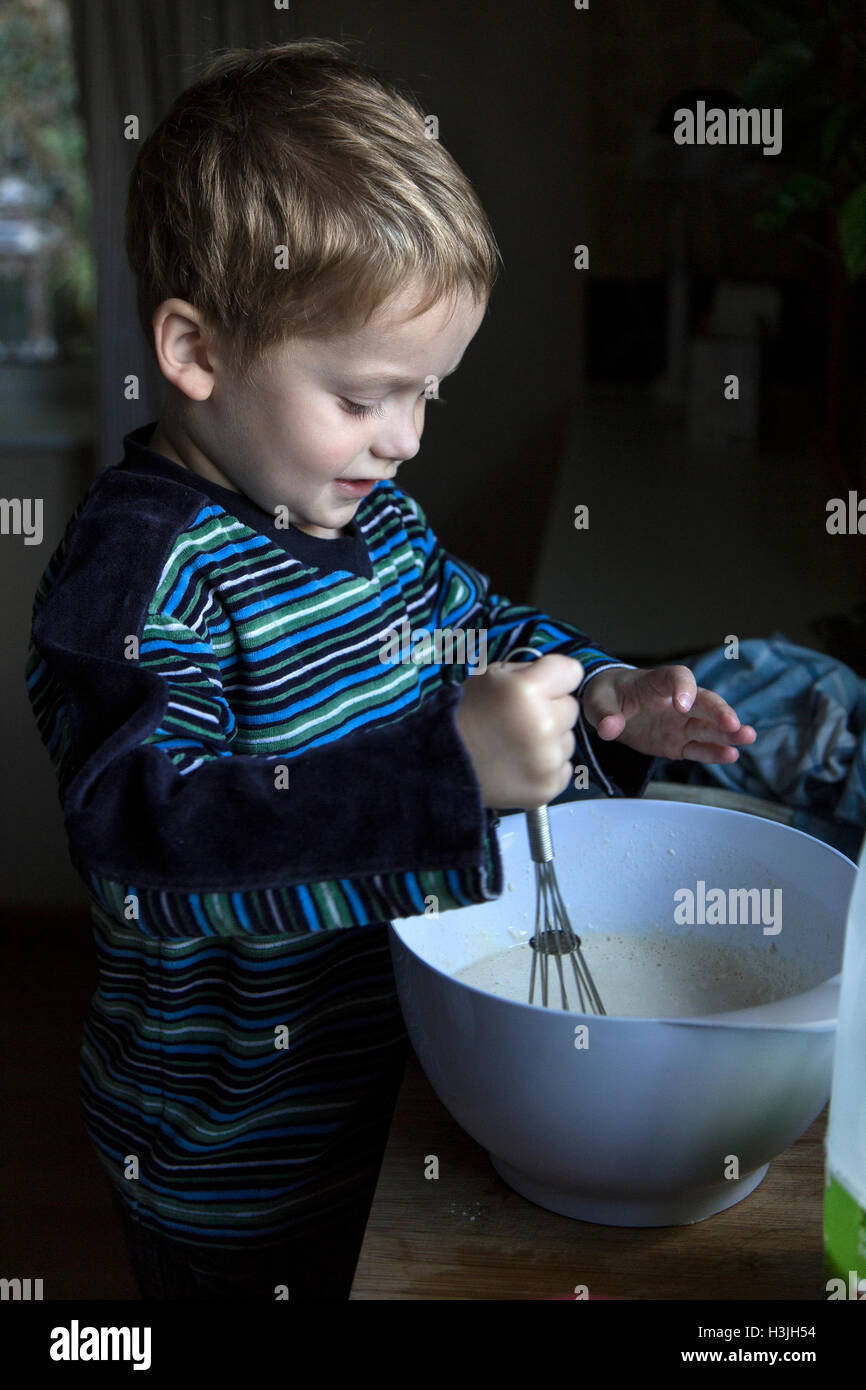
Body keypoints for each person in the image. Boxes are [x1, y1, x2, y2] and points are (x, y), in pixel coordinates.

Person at [24, 38, 755, 1301]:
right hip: (232, 1156)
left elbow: (471, 622)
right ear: (195, 352)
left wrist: (601, 693)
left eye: (427, 395)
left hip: (395, 1081)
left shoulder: (367, 519)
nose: (404, 441)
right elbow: (141, 841)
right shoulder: (137, 578)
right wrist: (447, 773)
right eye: (366, 395)